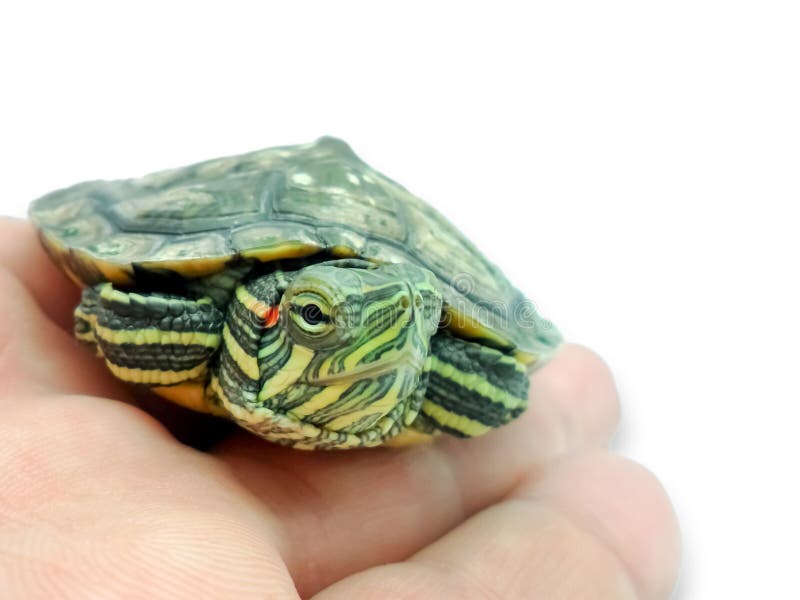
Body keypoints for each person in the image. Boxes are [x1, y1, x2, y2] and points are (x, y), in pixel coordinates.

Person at [0, 218, 679, 598]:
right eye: (318, 317)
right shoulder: (213, 328)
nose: (396, 339)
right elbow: (111, 306)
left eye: (416, 321)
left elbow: (502, 386)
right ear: (261, 318)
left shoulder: (423, 369)